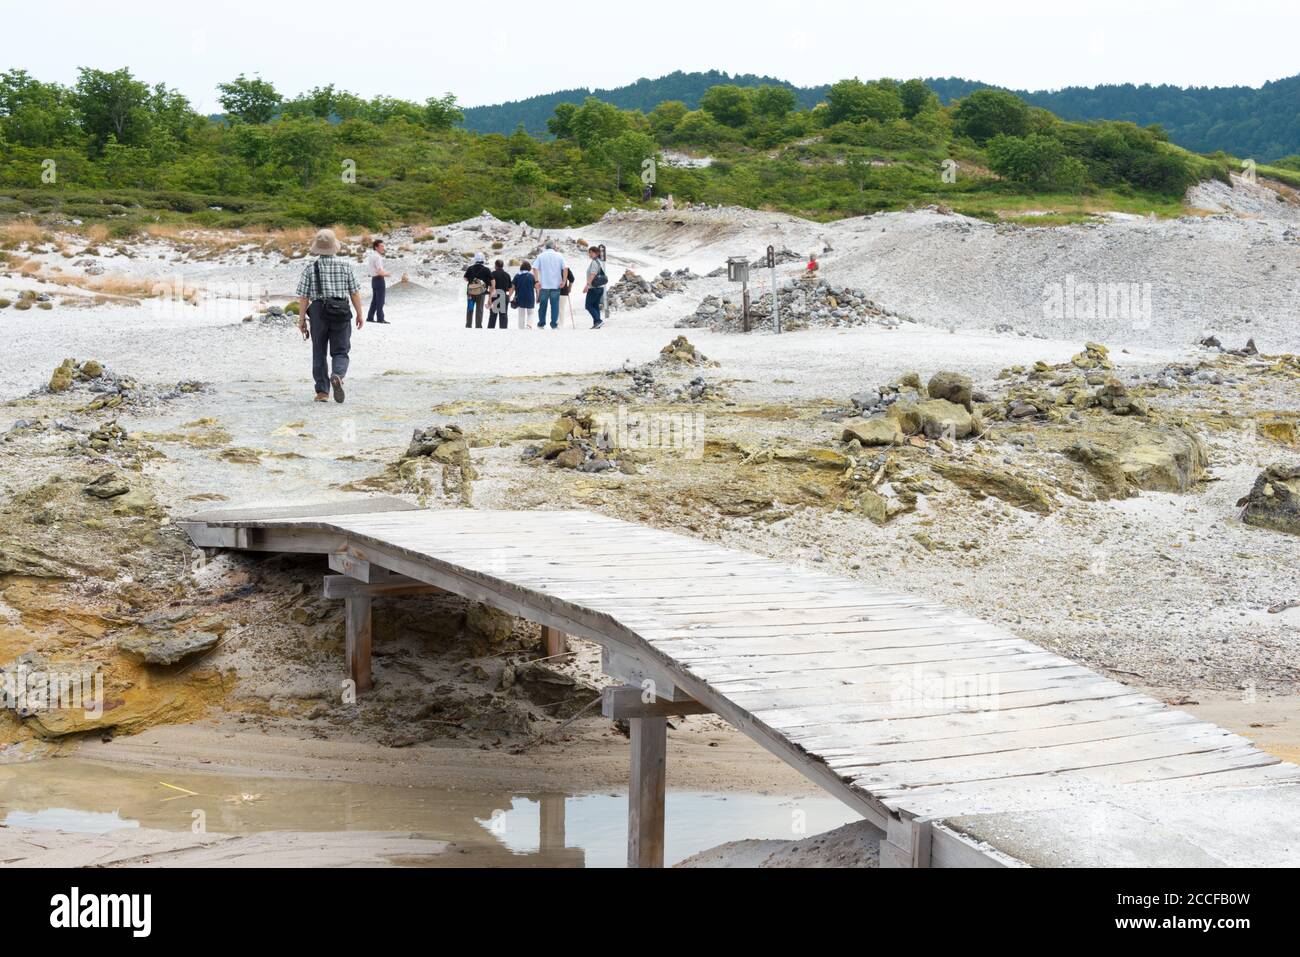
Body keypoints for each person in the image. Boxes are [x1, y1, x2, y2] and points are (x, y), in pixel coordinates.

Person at [296, 229, 363, 404]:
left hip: (318, 311)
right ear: (334, 247)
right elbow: (355, 293)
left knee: (319, 351)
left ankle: (322, 392)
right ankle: (338, 375)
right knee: (340, 350)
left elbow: (303, 297)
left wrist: (301, 319)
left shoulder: (311, 268)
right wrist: (359, 314)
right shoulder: (345, 266)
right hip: (341, 310)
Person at [534, 240, 565, 330]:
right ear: (554, 247)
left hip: (544, 285)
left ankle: (541, 324)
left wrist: (536, 281)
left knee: (543, 305)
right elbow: (565, 268)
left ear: (546, 247)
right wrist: (563, 281)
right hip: (556, 285)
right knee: (555, 305)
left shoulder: (540, 256)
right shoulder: (559, 255)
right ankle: (554, 324)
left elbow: (535, 268)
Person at [365, 239, 390, 324]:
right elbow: (379, 271)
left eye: (383, 246)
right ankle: (380, 318)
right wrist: (387, 274)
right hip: (379, 279)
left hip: (374, 280)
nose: (383, 248)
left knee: (375, 300)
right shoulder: (377, 257)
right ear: (376, 247)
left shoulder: (372, 256)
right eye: (381, 246)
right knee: (380, 300)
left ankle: (370, 317)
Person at [464, 253, 492, 329]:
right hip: (481, 293)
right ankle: (478, 326)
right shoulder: (486, 270)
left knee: (470, 308)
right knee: (479, 309)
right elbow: (490, 281)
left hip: (470, 292)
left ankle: (468, 325)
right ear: (483, 260)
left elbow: (465, 278)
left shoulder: (470, 268)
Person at [582, 247, 608, 330]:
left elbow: (592, 274)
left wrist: (587, 285)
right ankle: (596, 324)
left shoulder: (594, 262)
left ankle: (598, 320)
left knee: (588, 305)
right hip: (600, 287)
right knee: (595, 305)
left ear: (596, 253)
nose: (589, 254)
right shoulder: (599, 261)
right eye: (589, 253)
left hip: (594, 288)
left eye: (591, 252)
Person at [488, 259, 513, 330]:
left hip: (495, 296)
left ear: (496, 266)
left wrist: (489, 298)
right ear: (502, 266)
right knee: (503, 315)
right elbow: (510, 288)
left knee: (493, 315)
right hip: (503, 295)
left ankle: (490, 331)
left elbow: (491, 287)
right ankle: (503, 330)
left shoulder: (492, 274)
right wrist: (508, 296)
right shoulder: (507, 275)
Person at [512, 260, 537, 329]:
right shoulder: (532, 276)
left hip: (520, 297)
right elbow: (536, 287)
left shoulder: (517, 276)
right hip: (530, 297)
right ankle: (529, 325)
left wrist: (509, 296)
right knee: (530, 313)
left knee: (521, 314)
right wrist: (538, 296)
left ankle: (521, 328)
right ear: (529, 268)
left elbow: (513, 287)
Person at [557, 264, 577, 328]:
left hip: (553, 291)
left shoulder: (552, 266)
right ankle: (560, 324)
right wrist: (569, 287)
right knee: (561, 308)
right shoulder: (565, 268)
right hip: (563, 291)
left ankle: (555, 323)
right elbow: (572, 279)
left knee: (554, 308)